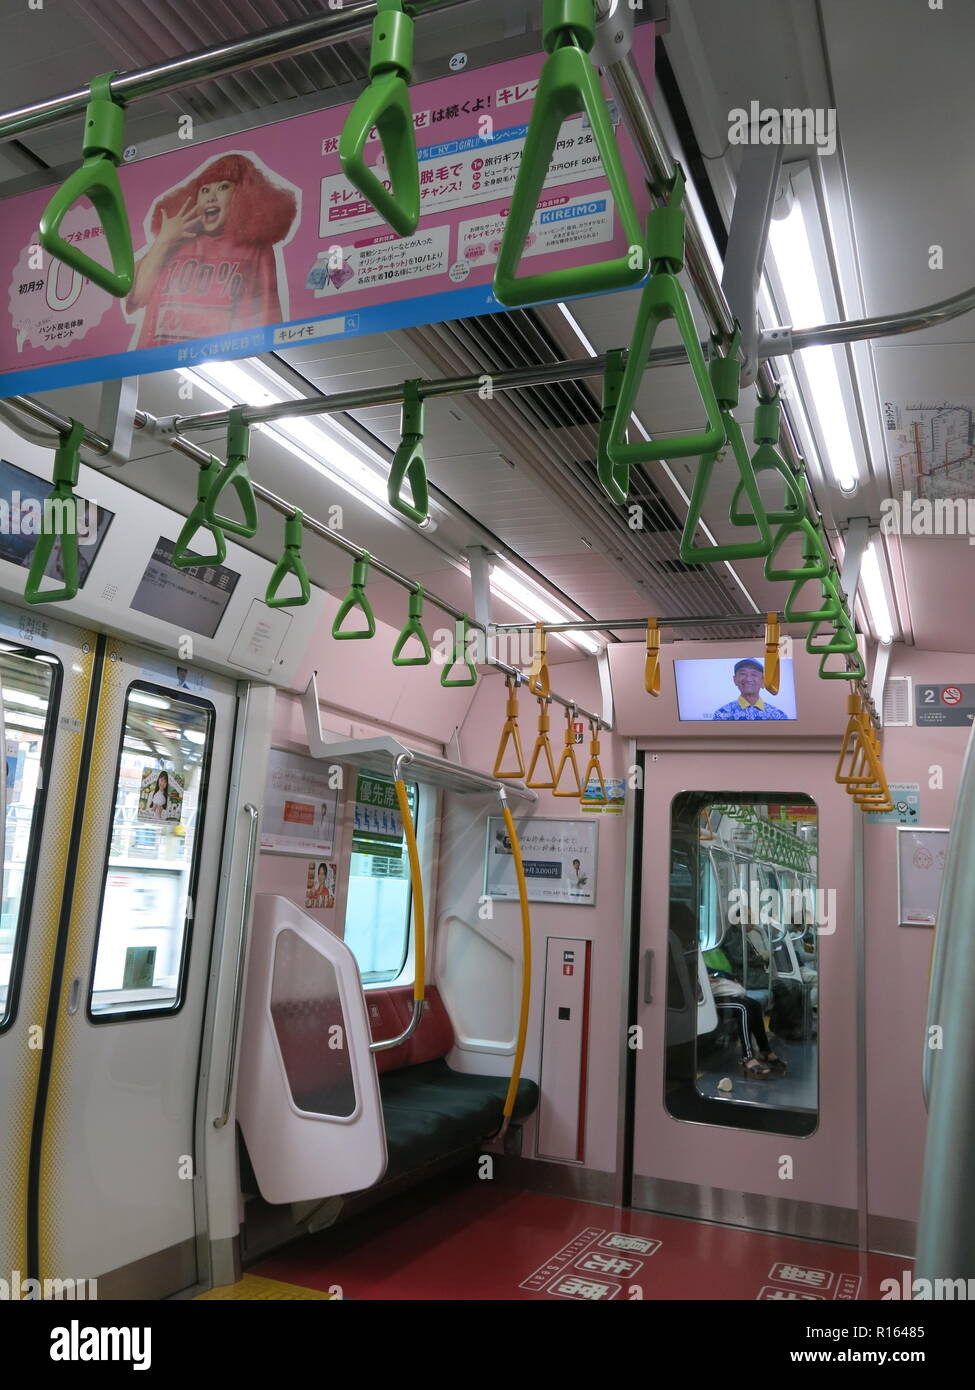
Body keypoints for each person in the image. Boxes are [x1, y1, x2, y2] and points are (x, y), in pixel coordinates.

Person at [127, 153, 298, 350]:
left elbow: (265, 318)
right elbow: (138, 296)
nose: (211, 196)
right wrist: (164, 240)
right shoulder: (175, 240)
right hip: (155, 362)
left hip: (224, 365)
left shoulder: (256, 248)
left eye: (224, 187)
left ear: (242, 194)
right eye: (205, 190)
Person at [703, 945, 786, 1079]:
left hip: (712, 992)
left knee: (754, 1004)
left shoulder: (694, 954)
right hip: (703, 999)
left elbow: (708, 971)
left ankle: (764, 1050)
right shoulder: (681, 955)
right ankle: (747, 1057)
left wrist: (725, 976)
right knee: (743, 1008)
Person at [712, 658, 789, 721]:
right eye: (743, 674)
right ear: (735, 680)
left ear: (763, 682)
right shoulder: (721, 715)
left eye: (754, 674)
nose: (748, 679)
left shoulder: (778, 716)